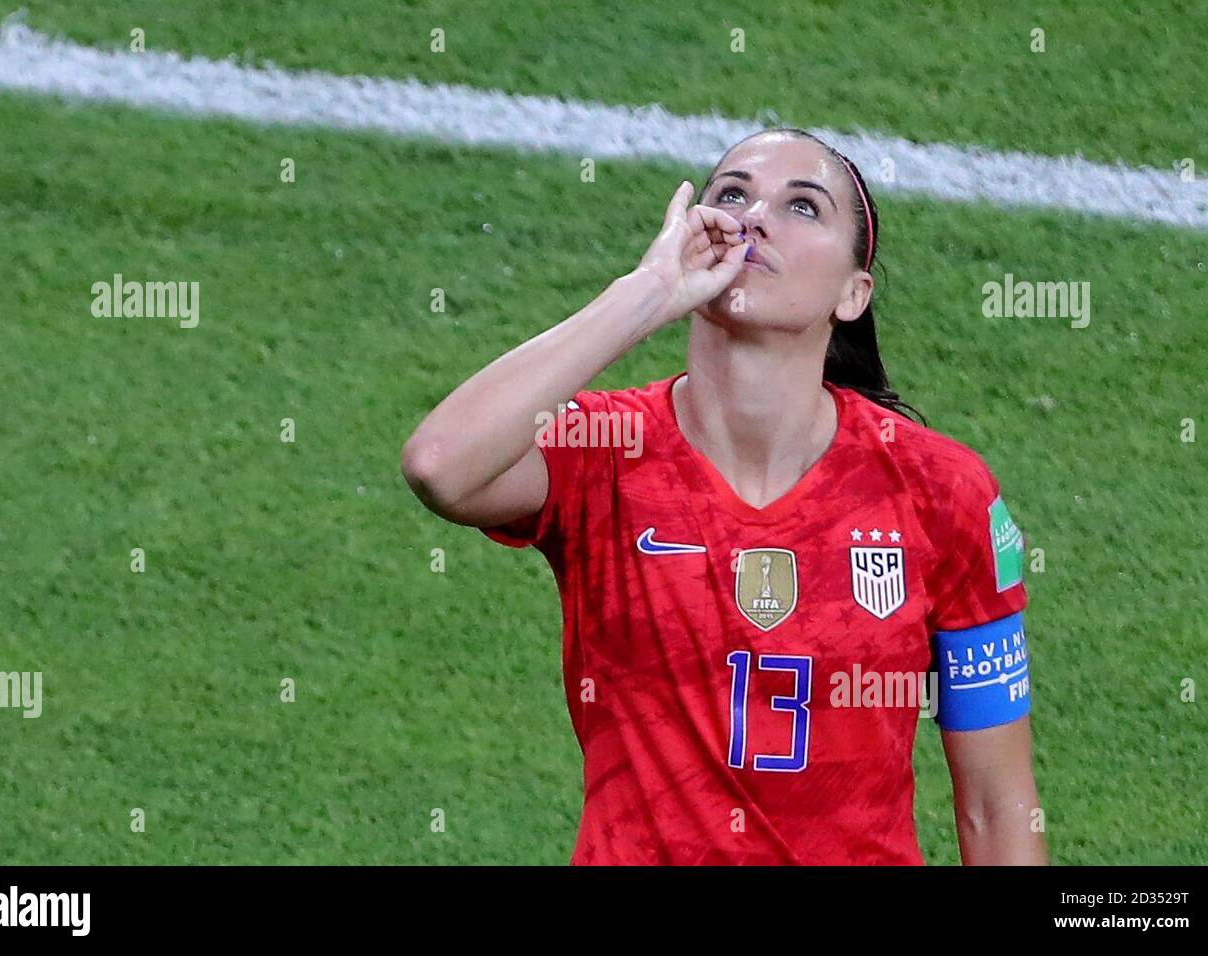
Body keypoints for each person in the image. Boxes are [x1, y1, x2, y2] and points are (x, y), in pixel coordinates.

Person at [401, 127, 1046, 865]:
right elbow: (440, 465)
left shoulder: (941, 491)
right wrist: (646, 295)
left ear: (852, 293)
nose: (754, 218)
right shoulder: (607, 450)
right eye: (732, 195)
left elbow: (998, 808)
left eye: (803, 207)